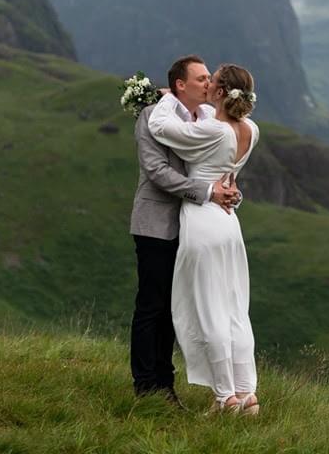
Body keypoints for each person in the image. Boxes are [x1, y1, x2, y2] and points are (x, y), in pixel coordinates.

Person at [148, 63, 260, 415]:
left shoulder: (213, 129)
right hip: (230, 224)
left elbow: (160, 127)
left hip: (203, 220)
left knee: (209, 308)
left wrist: (166, 100)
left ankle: (224, 397)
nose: (207, 84)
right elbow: (217, 115)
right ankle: (247, 394)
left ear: (222, 92)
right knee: (234, 309)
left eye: (213, 82)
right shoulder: (250, 130)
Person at [128, 55, 240, 401]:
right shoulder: (151, 116)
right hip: (156, 224)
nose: (210, 84)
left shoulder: (206, 117)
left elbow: (214, 165)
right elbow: (157, 171)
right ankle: (147, 386)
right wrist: (208, 192)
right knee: (152, 306)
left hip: (194, 228)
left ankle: (166, 384)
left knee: (176, 308)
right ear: (180, 85)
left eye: (210, 78)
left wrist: (229, 191)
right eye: (202, 78)